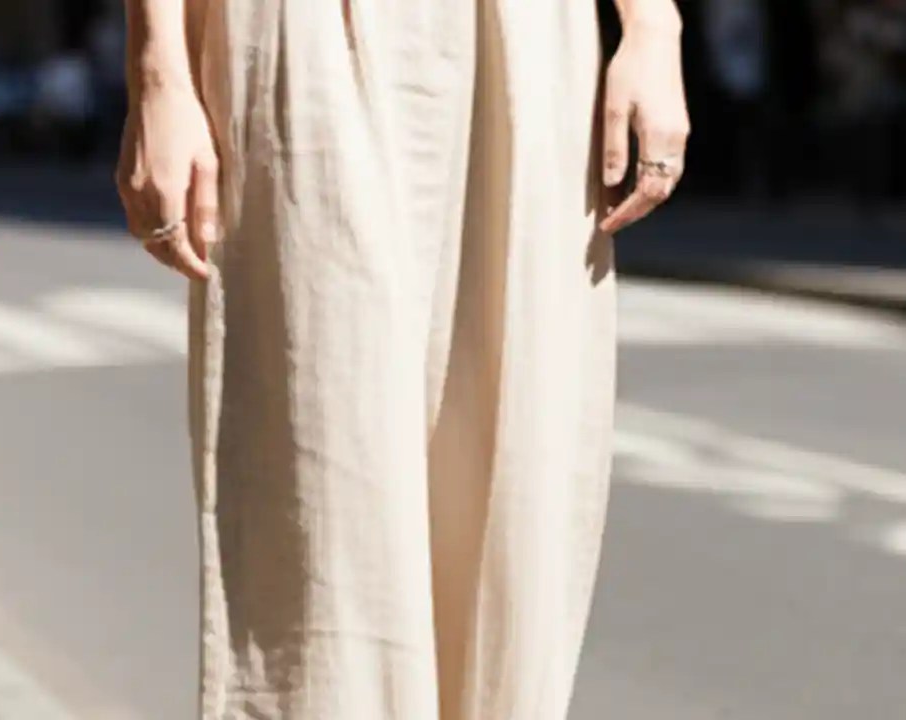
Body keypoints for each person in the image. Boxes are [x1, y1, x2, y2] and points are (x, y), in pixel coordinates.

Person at [115, 0, 689, 717]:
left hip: (529, 39)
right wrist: (158, 68)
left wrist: (652, 25)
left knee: (514, 512)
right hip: (304, 35)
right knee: (325, 505)